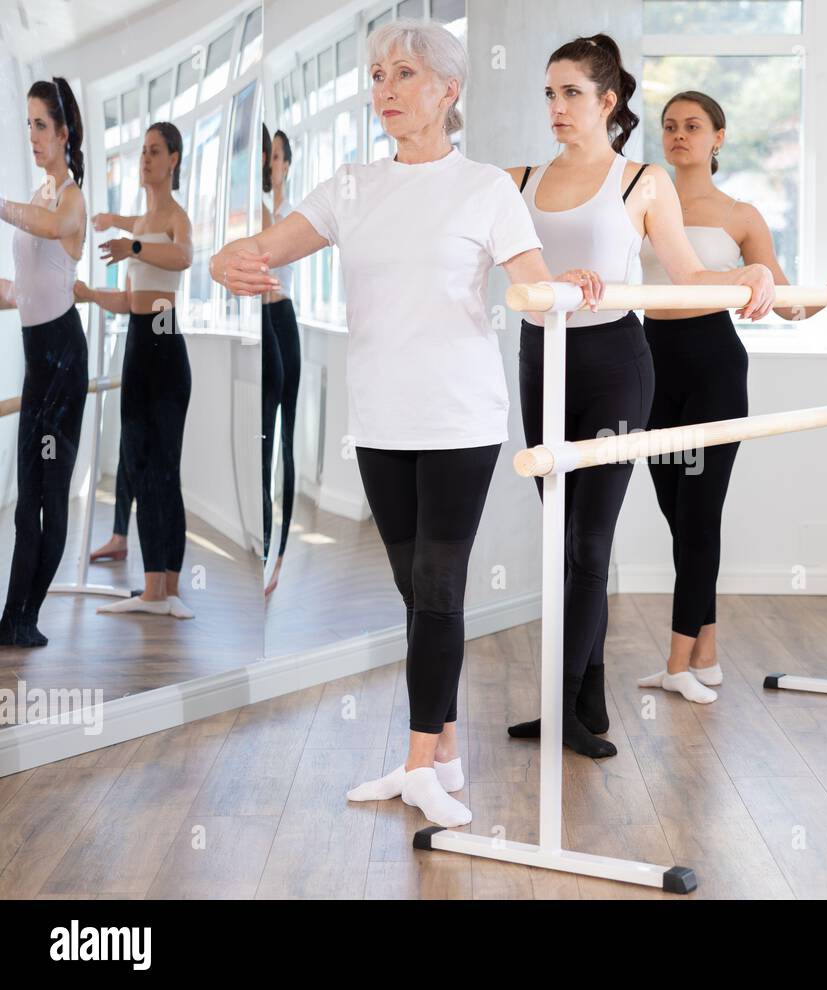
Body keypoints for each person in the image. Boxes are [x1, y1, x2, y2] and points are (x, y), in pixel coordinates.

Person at [209, 19, 596, 828]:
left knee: (437, 586)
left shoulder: (485, 187)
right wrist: (226, 257)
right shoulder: (350, 186)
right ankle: (444, 751)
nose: (385, 88)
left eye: (405, 74)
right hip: (381, 419)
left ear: (449, 91)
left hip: (460, 417)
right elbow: (266, 246)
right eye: (378, 74)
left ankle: (419, 759)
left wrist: (572, 283)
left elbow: (535, 282)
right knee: (410, 588)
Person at [502, 35, 777, 758]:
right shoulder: (518, 178)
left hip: (619, 362)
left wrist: (751, 279)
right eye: (549, 94)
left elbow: (684, 273)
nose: (558, 107)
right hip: (542, 359)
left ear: (606, 101)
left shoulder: (642, 180)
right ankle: (586, 698)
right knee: (563, 541)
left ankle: (564, 705)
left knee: (592, 540)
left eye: (571, 93)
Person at [635, 90, 827, 704]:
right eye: (669, 126)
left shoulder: (741, 215)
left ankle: (678, 660)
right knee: (674, 514)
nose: (679, 135)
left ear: (719, 137)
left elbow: (787, 302)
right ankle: (705, 654)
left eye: (692, 126)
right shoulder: (637, 199)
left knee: (698, 512)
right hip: (648, 364)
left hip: (713, 366)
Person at [77, 122, 195, 619]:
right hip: (139, 344)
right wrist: (88, 295)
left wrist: (133, 245)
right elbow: (129, 300)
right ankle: (158, 591)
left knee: (164, 470)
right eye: (141, 151)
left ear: (173, 159)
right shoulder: (144, 223)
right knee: (142, 463)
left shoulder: (173, 219)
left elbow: (185, 256)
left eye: (154, 151)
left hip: (166, 343)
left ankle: (163, 590)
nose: (144, 158)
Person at [0, 78, 88, 647]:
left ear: (62, 133)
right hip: (38, 360)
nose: (32, 135)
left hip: (62, 359)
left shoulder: (71, 198)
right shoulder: (37, 193)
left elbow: (56, 230)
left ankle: (28, 617)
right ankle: (11, 618)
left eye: (40, 125)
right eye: (28, 123)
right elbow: (26, 289)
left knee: (48, 494)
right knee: (23, 498)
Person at [261, 125, 300, 596]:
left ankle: (281, 557)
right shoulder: (256, 211)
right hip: (261, 323)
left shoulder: (290, 214)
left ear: (287, 163)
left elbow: (273, 260)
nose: (271, 164)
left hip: (284, 321)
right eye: (266, 157)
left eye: (276, 156)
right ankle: (263, 546)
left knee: (286, 442)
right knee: (263, 444)